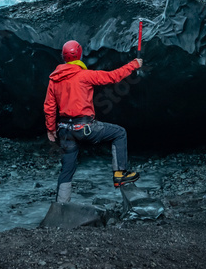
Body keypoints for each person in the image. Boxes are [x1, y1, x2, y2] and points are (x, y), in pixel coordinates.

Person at [43, 39, 142, 203]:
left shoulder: (54, 79)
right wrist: (134, 64)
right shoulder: (85, 75)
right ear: (80, 55)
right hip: (85, 128)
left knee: (67, 168)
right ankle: (120, 174)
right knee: (119, 133)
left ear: (63, 57)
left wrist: (51, 129)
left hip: (65, 131)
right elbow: (113, 77)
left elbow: (49, 106)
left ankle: (61, 206)